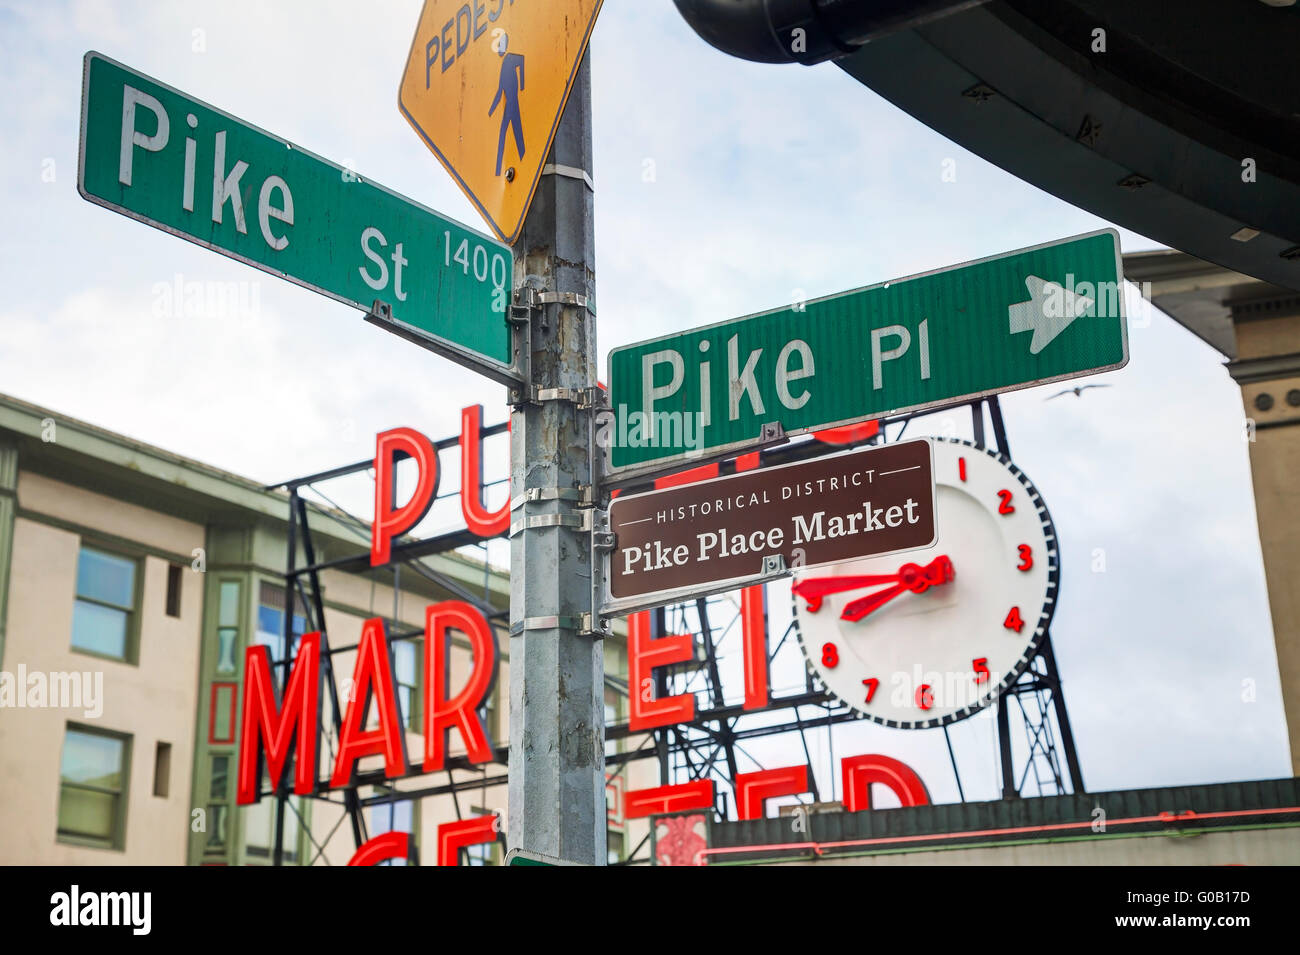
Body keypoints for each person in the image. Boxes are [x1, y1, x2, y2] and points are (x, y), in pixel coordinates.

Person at [489, 36, 525, 177]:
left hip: (513, 104)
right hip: (509, 105)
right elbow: (499, 91)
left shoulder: (510, 58)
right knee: (509, 134)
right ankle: (499, 170)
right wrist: (490, 111)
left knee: (513, 134)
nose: (498, 49)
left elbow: (522, 60)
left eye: (499, 46)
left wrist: (522, 85)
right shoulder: (504, 65)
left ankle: (501, 168)